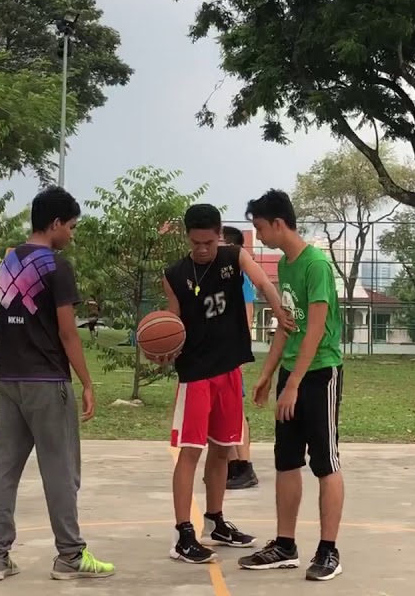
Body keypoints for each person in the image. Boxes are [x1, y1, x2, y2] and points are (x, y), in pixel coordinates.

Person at [0, 186, 114, 582]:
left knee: (4, 469)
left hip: (10, 377)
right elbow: (67, 332)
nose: (71, 234)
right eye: (71, 226)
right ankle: (70, 556)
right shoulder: (57, 266)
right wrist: (88, 382)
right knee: (60, 469)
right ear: (55, 223)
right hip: (46, 379)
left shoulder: (8, 262)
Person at [160, 205, 290, 565]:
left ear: (219, 234)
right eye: (195, 242)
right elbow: (172, 319)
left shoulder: (235, 256)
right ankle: (185, 534)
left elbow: (264, 283)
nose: (202, 248)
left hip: (228, 369)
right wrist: (163, 348)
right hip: (195, 373)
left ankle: (215, 521)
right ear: (187, 237)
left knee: (222, 449)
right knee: (190, 452)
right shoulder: (174, 274)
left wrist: (279, 311)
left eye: (208, 241)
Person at [239, 189, 345, 582]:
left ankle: (329, 550)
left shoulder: (316, 265)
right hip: (293, 376)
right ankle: (285, 544)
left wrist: (295, 383)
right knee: (286, 460)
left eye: (260, 227)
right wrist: (269, 373)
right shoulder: (285, 266)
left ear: (278, 224)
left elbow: (315, 331)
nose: (259, 234)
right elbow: (287, 326)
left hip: (320, 373)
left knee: (325, 462)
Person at [221, 225, 260, 490]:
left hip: (229, 354)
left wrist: (235, 354)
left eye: (221, 243)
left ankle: (244, 467)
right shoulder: (218, 276)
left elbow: (246, 319)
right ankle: (233, 465)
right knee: (224, 412)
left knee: (236, 411)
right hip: (215, 354)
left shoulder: (241, 278)